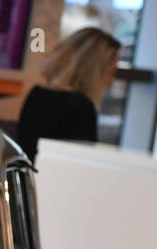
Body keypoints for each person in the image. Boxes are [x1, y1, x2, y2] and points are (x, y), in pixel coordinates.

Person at [17, 26, 120, 162]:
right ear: (93, 71)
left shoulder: (37, 93)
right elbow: (82, 165)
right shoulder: (81, 107)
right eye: (111, 73)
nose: (111, 82)